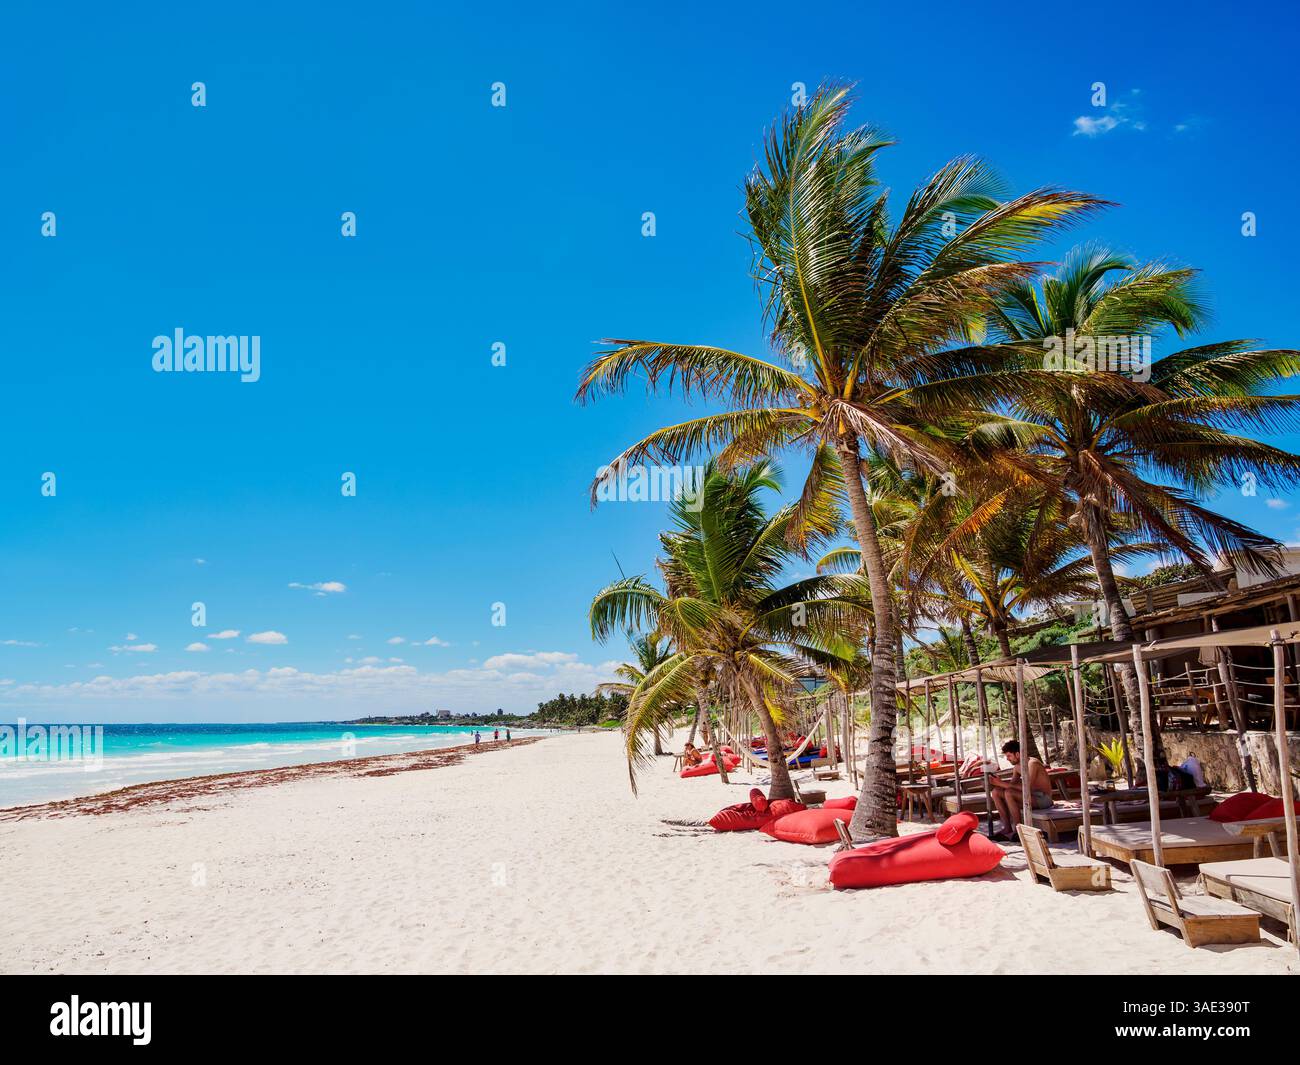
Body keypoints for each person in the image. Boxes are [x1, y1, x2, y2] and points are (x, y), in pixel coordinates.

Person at [988, 740, 1053, 840]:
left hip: (1043, 798)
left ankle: (1019, 830)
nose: (1007, 759)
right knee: (996, 792)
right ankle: (1007, 828)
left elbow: (1027, 787)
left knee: (1009, 793)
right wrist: (997, 782)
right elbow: (1012, 785)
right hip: (1030, 797)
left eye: (1009, 756)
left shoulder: (1033, 763)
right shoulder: (1017, 767)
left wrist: (1001, 783)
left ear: (1017, 754)